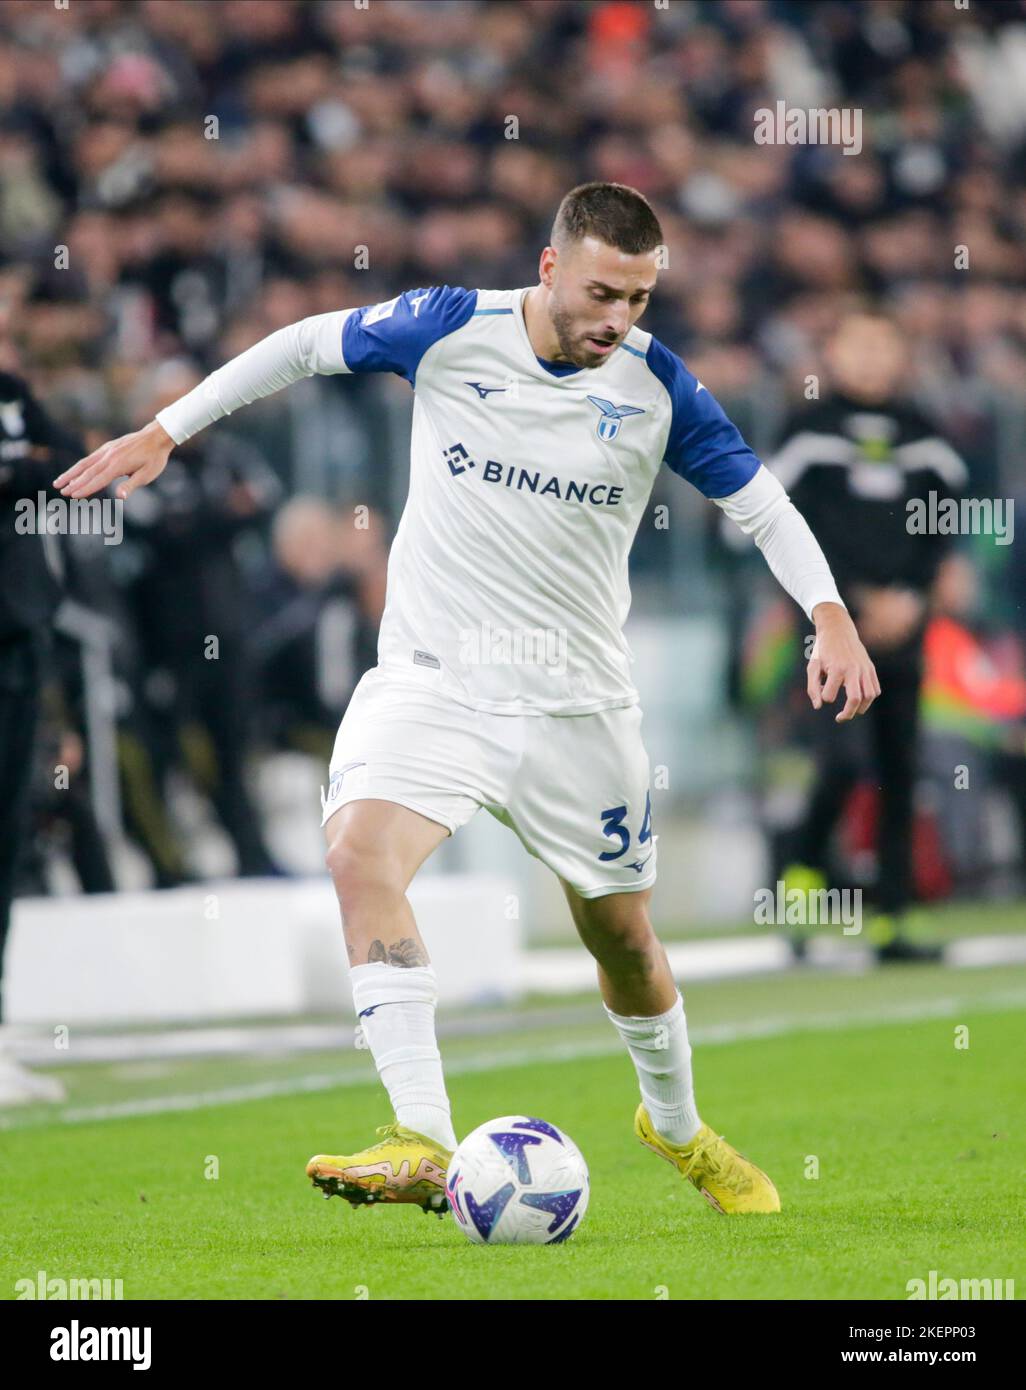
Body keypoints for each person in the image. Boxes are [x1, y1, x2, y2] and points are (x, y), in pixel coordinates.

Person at [55, 182, 878, 1218]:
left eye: (637, 298)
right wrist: (167, 430)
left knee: (621, 937)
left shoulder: (657, 388)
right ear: (548, 268)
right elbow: (308, 342)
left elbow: (761, 505)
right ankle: (425, 1137)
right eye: (600, 292)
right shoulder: (452, 328)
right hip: (435, 680)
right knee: (359, 850)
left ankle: (676, 1126)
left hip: (578, 706)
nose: (616, 319)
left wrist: (830, 613)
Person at [767, 310, 968, 961]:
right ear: (833, 352)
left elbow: (946, 526)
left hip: (905, 628)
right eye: (859, 344)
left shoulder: (924, 434)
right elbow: (781, 524)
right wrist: (851, 599)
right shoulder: (807, 432)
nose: (872, 358)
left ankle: (891, 920)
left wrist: (911, 595)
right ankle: (799, 880)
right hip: (831, 628)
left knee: (899, 770)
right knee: (841, 761)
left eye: (885, 345)